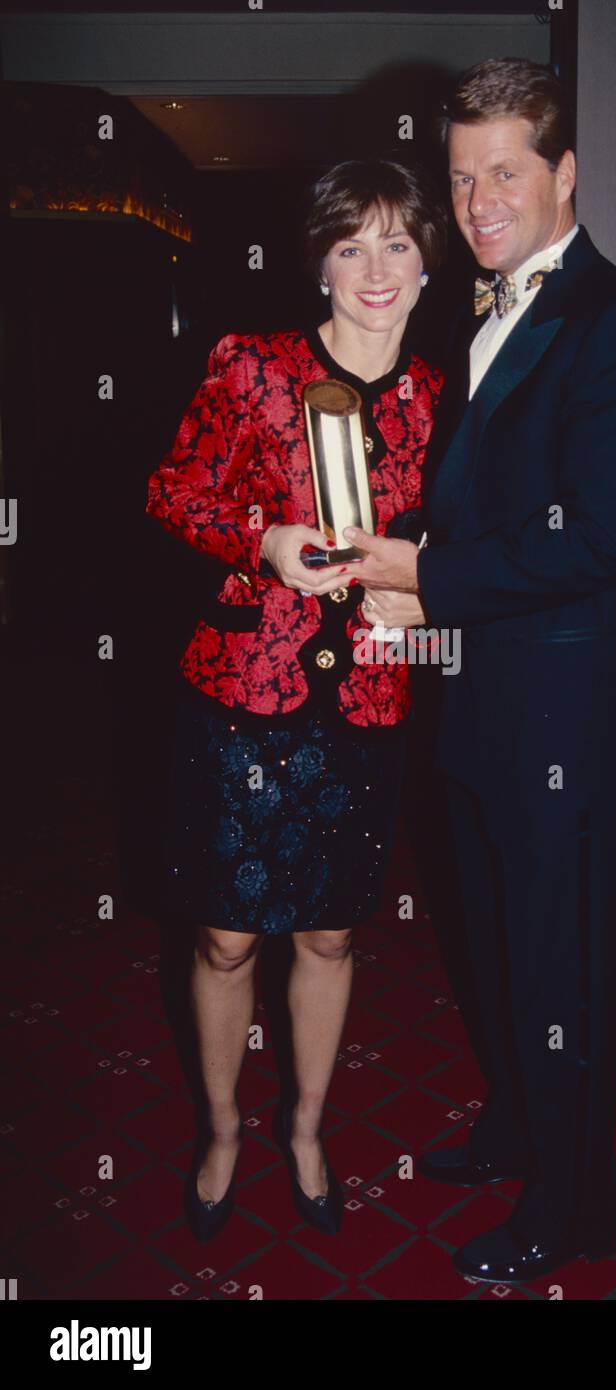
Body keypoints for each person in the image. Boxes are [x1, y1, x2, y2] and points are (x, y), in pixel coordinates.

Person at [342, 59, 616, 1284]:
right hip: (477, 703)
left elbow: (596, 538)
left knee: (563, 964)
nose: (480, 198)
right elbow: (472, 514)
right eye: (461, 176)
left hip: (570, 721)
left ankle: (579, 1200)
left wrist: (424, 576)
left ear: (564, 173)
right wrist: (401, 597)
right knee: (489, 945)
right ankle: (516, 1124)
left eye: (505, 171)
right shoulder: (477, 315)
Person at [145, 158, 445, 1241]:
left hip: (365, 704)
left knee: (327, 939)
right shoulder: (252, 368)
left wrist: (424, 599)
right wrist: (260, 539)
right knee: (225, 939)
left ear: (426, 266)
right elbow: (171, 489)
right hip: (241, 696)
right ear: (318, 258)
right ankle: (223, 1129)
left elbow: (466, 551)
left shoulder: (442, 399)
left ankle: (308, 1126)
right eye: (353, 244)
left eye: (400, 245)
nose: (377, 269)